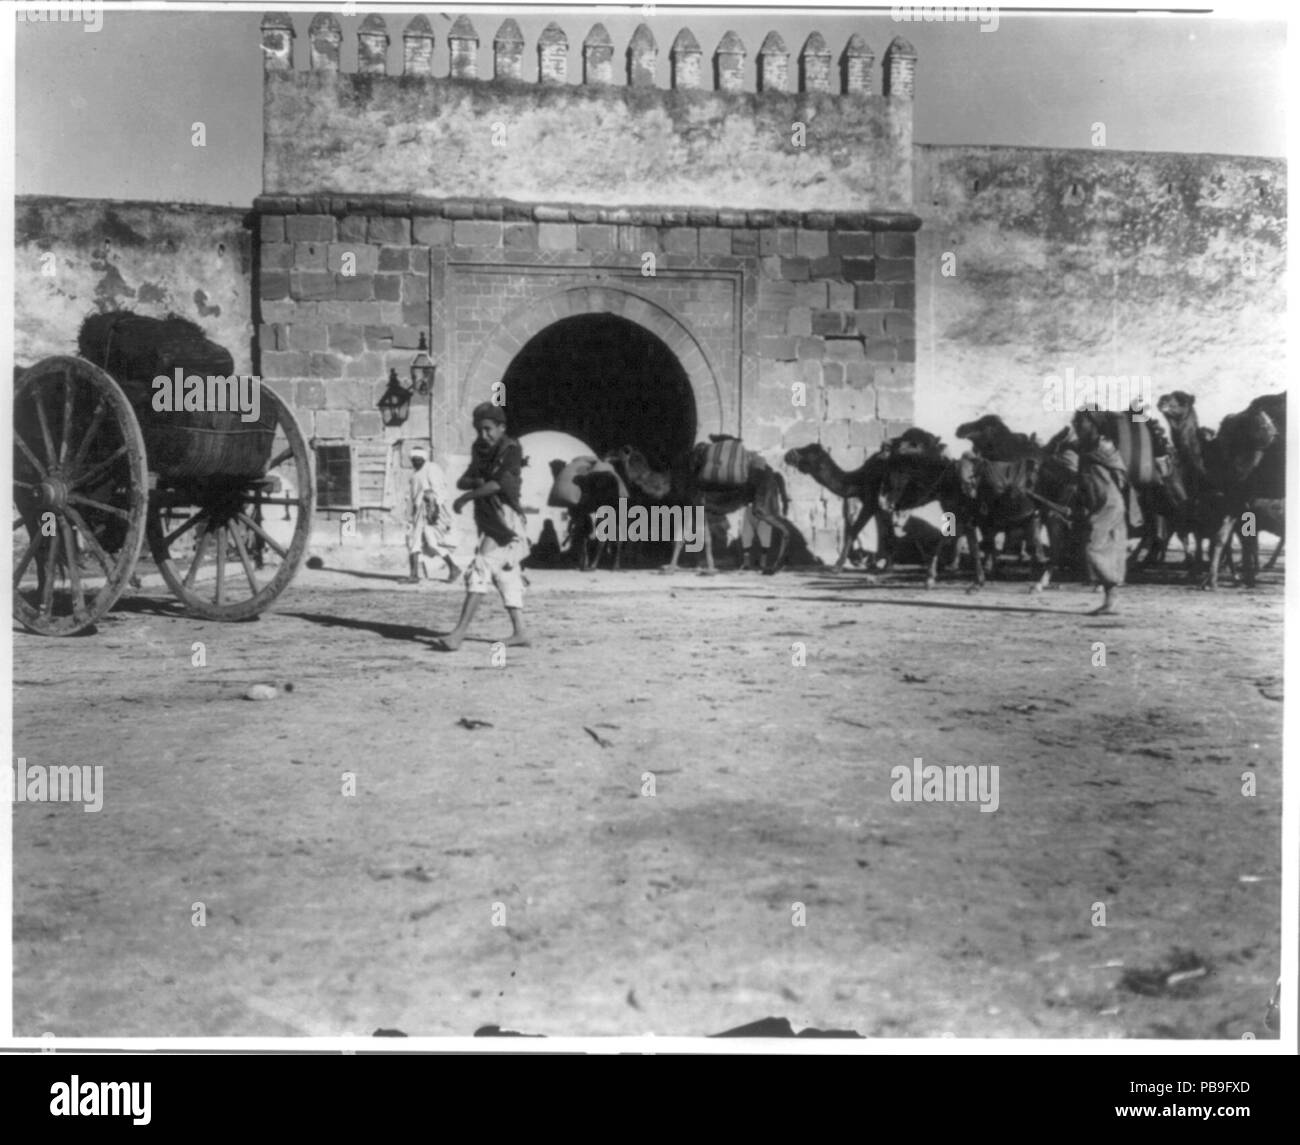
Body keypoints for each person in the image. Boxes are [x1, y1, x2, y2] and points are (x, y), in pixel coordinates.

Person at [433, 402, 531, 651]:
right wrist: (477, 482)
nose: (483, 435)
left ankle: (458, 633)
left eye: (488, 429)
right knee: (505, 574)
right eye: (479, 430)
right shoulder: (479, 448)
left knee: (480, 566)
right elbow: (465, 479)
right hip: (488, 518)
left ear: (501, 427)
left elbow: (499, 485)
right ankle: (520, 632)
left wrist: (467, 496)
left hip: (505, 519)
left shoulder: (511, 449)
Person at [1074, 408, 1142, 615]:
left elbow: (1120, 474)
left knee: (1092, 547)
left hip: (1109, 504)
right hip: (1098, 504)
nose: (1076, 425)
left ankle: (1112, 593)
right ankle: (1110, 602)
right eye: (1075, 422)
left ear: (1094, 423)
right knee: (1106, 549)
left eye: (1080, 422)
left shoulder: (1103, 446)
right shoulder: (1085, 448)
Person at [402, 445, 459, 584]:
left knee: (430, 542)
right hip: (418, 512)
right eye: (413, 459)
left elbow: (439, 490)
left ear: (423, 458)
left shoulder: (431, 468)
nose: (415, 462)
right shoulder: (415, 474)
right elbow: (413, 497)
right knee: (416, 542)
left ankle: (452, 568)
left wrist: (435, 509)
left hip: (429, 511)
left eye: (418, 459)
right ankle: (415, 574)